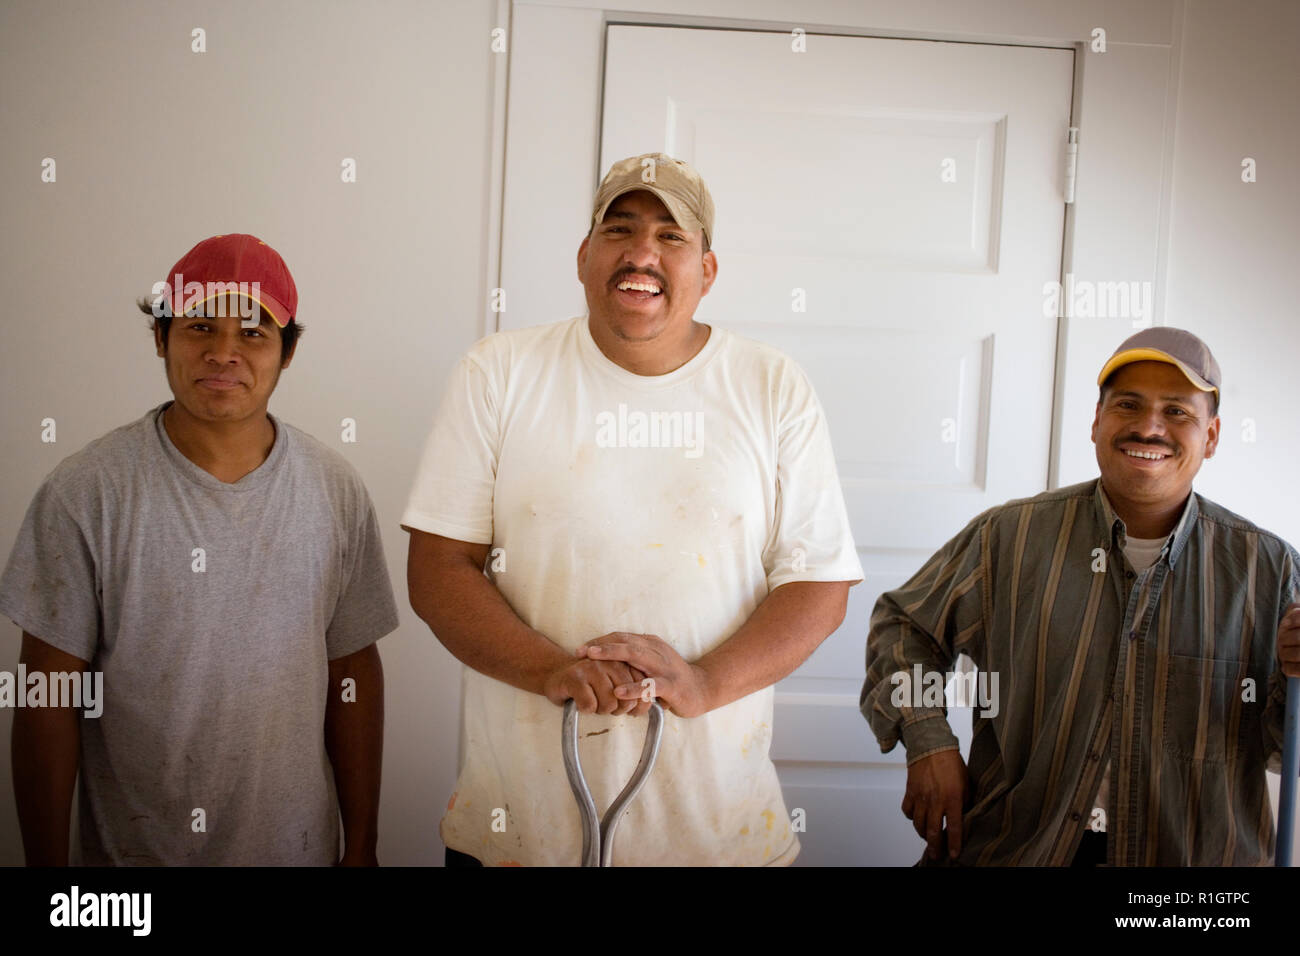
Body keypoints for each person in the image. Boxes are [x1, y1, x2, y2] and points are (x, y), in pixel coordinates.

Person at [403, 153, 863, 866]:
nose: (641, 253)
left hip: (717, 838)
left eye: (671, 236)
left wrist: (705, 682)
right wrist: (549, 669)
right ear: (585, 258)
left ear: (706, 271)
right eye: (620, 230)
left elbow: (819, 587)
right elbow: (438, 570)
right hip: (516, 835)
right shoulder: (498, 372)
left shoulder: (771, 386)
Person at [0, 234, 398, 865]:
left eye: (252, 333)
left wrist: (364, 846)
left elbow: (352, 672)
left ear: (287, 350)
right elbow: (48, 696)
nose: (222, 353)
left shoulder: (334, 489)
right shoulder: (86, 493)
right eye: (199, 327)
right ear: (161, 338)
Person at [861, 326, 1300, 866]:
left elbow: (1283, 747)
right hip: (1016, 850)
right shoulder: (1008, 538)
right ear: (1096, 423)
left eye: (1178, 411)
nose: (1149, 426)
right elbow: (903, 627)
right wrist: (928, 739)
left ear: (1211, 437)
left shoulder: (1269, 570)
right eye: (1128, 405)